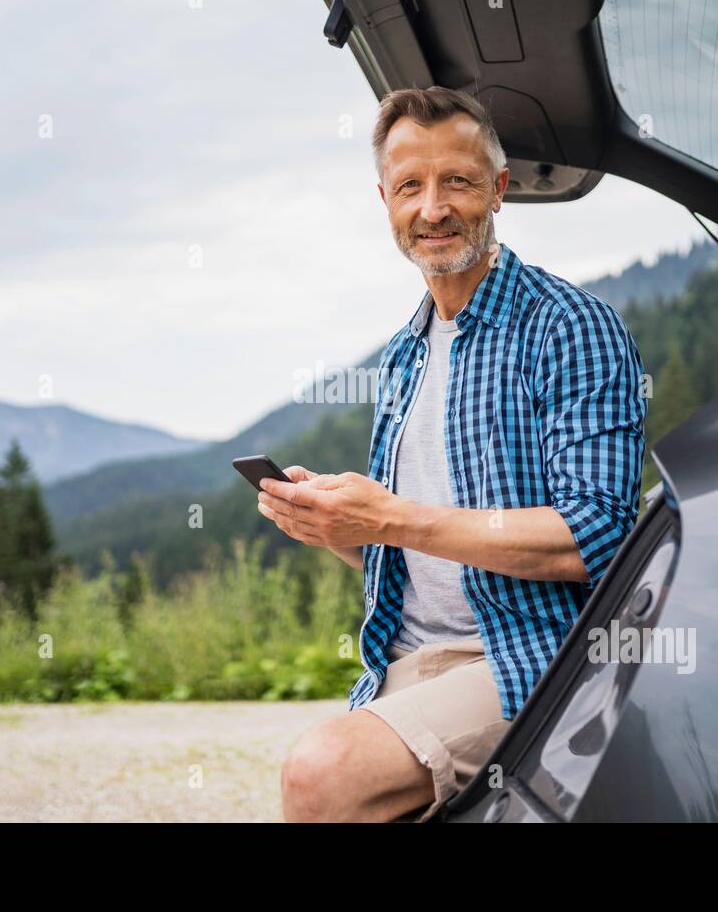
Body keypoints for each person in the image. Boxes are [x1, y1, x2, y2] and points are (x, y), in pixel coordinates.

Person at [260, 86, 647, 822]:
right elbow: (417, 552)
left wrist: (397, 518)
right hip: (405, 666)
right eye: (411, 186)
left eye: (457, 181)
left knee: (322, 776)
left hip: (528, 658)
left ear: (499, 190)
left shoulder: (570, 326)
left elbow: (597, 535)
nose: (432, 208)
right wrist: (348, 531)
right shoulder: (405, 355)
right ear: (386, 201)